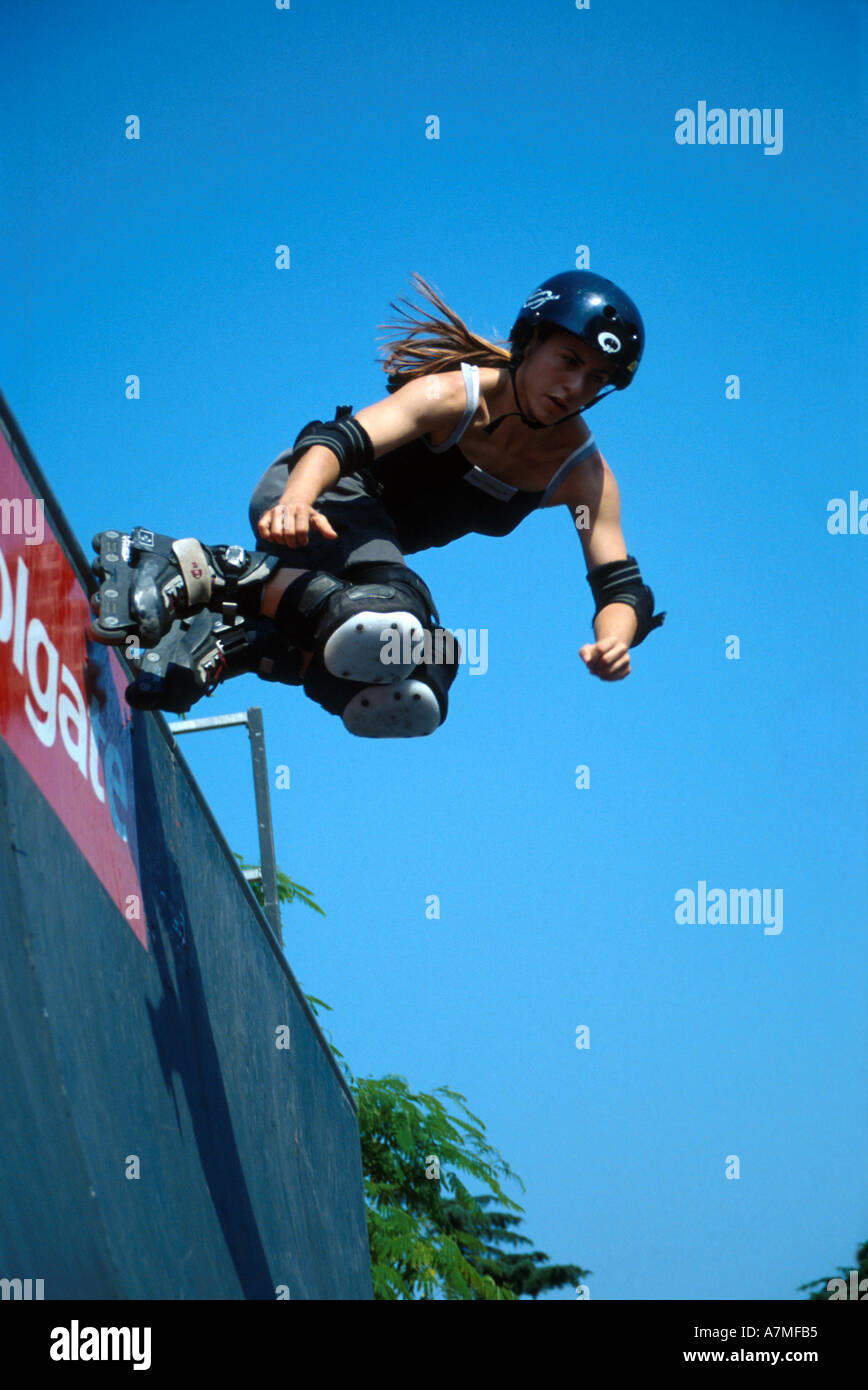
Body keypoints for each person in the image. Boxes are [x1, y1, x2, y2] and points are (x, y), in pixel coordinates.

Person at [89, 271, 665, 737]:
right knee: (394, 611)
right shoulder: (454, 396)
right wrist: (296, 497)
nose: (575, 388)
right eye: (568, 360)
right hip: (322, 496)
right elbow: (338, 441)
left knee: (427, 666)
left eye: (596, 379)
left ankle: (239, 643)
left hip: (362, 554)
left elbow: (618, 583)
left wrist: (615, 637)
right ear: (530, 340)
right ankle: (206, 568)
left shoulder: (582, 473)